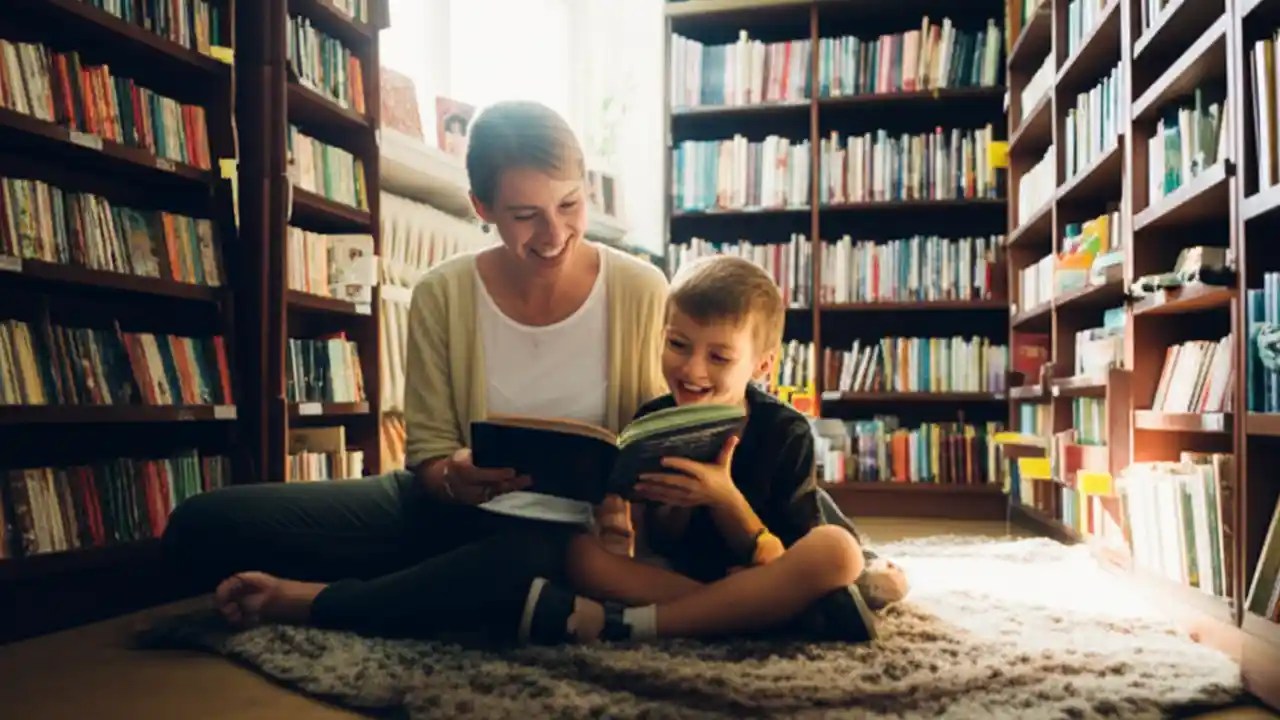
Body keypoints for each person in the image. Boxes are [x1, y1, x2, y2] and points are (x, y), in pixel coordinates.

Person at [161, 100, 669, 641]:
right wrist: (454, 477)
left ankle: (315, 600)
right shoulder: (442, 291)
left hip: (568, 540)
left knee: (530, 563)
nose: (554, 233)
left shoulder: (641, 291)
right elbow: (427, 456)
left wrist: (624, 513)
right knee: (203, 525)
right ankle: (430, 590)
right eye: (525, 216)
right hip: (444, 515)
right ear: (482, 206)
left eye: (569, 204)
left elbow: (656, 446)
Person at [516, 255, 906, 645]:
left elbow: (783, 555)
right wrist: (624, 527)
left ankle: (633, 623)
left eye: (719, 357)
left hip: (765, 567)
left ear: (762, 366)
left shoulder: (786, 432)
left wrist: (724, 499)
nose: (691, 369)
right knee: (581, 555)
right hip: (683, 578)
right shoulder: (653, 420)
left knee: (839, 551)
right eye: (678, 345)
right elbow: (649, 549)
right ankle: (781, 614)